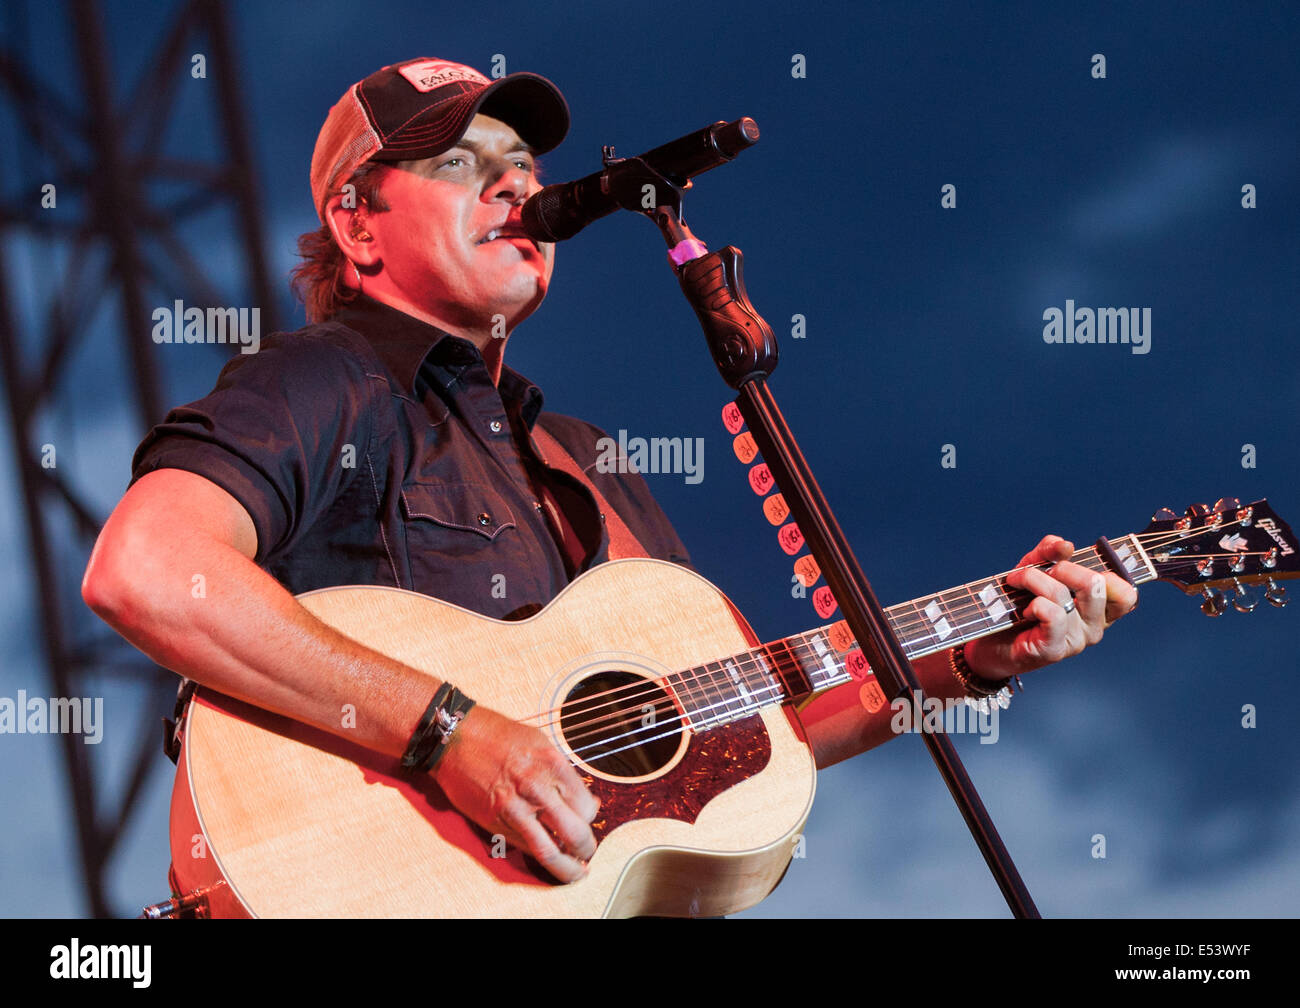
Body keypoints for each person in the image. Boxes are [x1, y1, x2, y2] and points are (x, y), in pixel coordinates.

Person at [81, 57, 1138, 895]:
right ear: (358, 225)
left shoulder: (579, 458)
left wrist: (962, 663)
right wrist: (451, 731)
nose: (512, 183)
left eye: (523, 167)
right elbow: (150, 569)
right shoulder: (324, 380)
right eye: (459, 163)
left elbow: (724, 739)